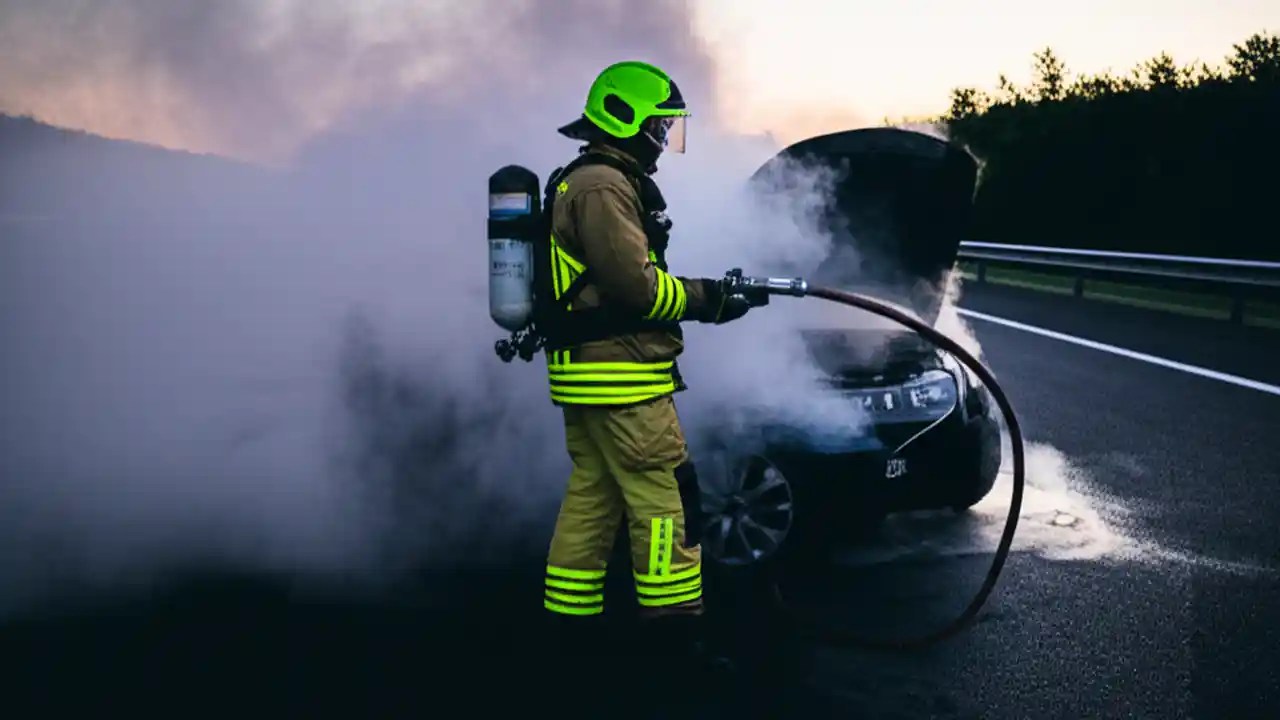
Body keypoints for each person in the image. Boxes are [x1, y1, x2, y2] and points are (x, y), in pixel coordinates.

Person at [533, 60, 759, 708]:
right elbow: (635, 287)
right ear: (623, 116)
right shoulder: (604, 185)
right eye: (659, 122)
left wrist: (707, 295)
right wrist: (707, 299)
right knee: (667, 505)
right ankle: (675, 648)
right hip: (624, 378)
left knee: (592, 501)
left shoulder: (589, 180)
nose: (663, 136)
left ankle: (569, 637)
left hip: (594, 380)